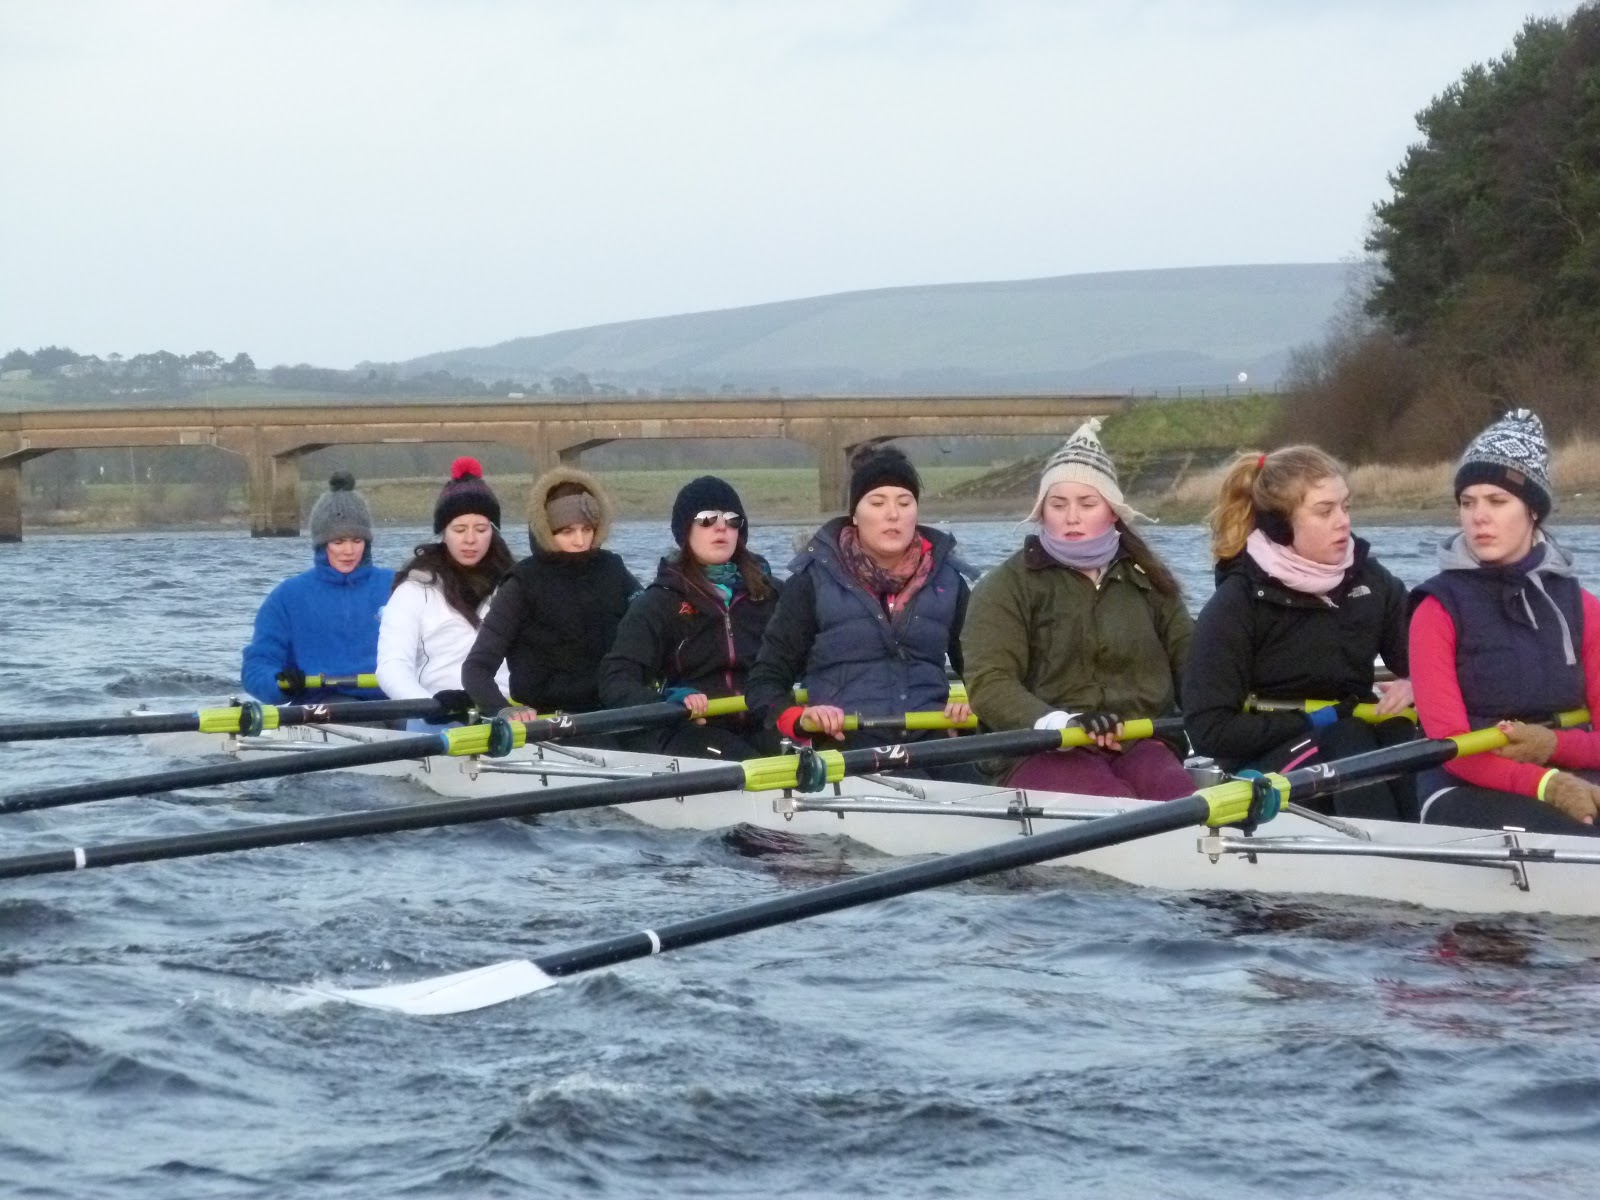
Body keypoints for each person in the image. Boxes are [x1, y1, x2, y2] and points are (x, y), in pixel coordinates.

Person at [962, 419, 1195, 799]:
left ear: (1113, 512)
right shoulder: (1004, 586)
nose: (1072, 517)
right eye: (1058, 504)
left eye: (1087, 504)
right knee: (1113, 803)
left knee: (1175, 794)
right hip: (1038, 749)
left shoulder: (1152, 583)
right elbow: (989, 683)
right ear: (1042, 512)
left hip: (1139, 740)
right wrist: (1061, 723)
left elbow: (1193, 666)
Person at [1184, 445, 1415, 819]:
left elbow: (1425, 654)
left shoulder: (1372, 582)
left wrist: (1417, 679)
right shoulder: (1236, 604)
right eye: (1325, 511)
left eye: (1345, 506)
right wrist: (1317, 720)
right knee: (1349, 738)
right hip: (1256, 764)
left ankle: (1427, 844)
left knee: (1402, 736)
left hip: (1345, 740)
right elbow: (1209, 730)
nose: (1343, 521)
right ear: (1279, 526)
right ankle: (1380, 856)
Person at [1410, 409, 1600, 834]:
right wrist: (1546, 783)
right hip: (1461, 784)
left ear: (1533, 511)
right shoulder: (1435, 609)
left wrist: (1555, 747)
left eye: (1497, 501)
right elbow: (1450, 747)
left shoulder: (1582, 607)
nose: (1479, 516)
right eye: (1467, 502)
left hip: (1568, 772)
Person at [745, 445, 975, 776]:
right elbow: (764, 683)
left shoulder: (950, 581)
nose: (893, 514)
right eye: (878, 503)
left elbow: (985, 673)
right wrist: (800, 717)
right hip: (848, 741)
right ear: (855, 515)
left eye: (904, 502)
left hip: (934, 736)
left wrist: (974, 704)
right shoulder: (811, 582)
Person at [599, 476, 782, 760]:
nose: (721, 526)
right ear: (686, 532)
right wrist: (666, 702)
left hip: (763, 721)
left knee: (795, 749)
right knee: (745, 758)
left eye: (732, 520)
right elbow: (616, 680)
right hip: (692, 729)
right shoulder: (659, 602)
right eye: (707, 519)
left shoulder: (774, 595)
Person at [460, 466, 638, 723]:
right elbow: (476, 669)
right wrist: (502, 710)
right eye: (567, 532)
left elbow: (654, 629)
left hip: (615, 714)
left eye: (587, 530)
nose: (579, 541)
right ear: (546, 532)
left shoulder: (614, 569)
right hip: (549, 724)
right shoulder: (522, 583)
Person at [376, 457, 513, 726]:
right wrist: (428, 705)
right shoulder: (415, 589)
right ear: (443, 533)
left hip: (507, 715)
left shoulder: (515, 585)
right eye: (459, 529)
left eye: (481, 529)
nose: (470, 539)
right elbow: (392, 667)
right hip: (437, 718)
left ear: (493, 532)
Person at [241, 472, 393, 704]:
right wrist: (279, 682)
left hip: (395, 701)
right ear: (323, 545)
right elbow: (256, 667)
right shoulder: (288, 596)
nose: (349, 551)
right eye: (338, 542)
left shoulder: (398, 587)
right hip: (322, 704)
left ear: (367, 543)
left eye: (357, 541)